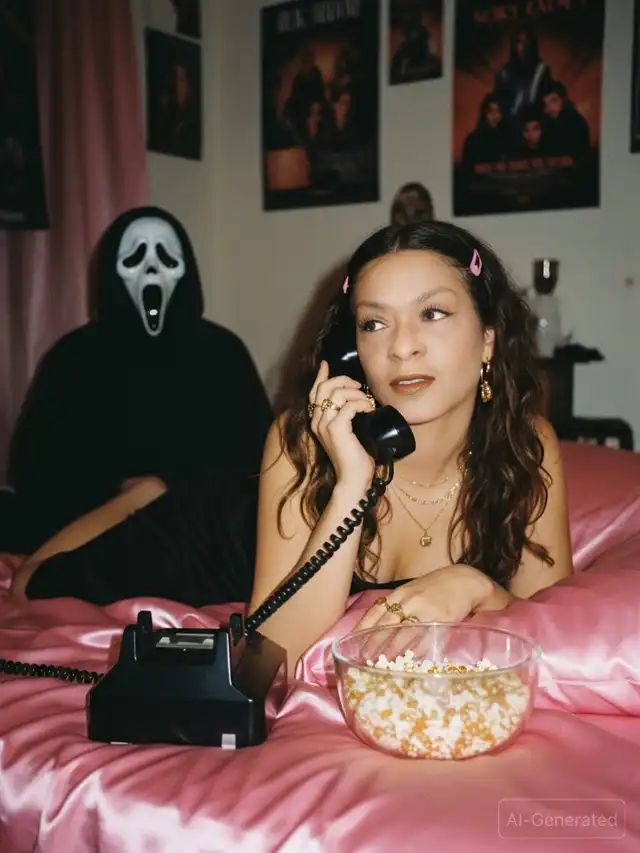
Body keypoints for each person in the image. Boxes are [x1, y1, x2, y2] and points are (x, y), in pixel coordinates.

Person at [249, 220, 573, 671]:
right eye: (374, 323)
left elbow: (558, 642)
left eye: (432, 313)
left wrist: (477, 587)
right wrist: (352, 484)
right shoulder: (300, 444)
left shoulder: (526, 444)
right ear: (352, 354)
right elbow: (268, 662)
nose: (401, 347)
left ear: (488, 339)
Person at [5, 207, 272, 557]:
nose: (151, 270)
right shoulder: (73, 356)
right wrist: (118, 491)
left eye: (167, 258)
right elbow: (35, 466)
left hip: (196, 536)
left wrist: (168, 487)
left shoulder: (222, 352)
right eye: (134, 258)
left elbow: (258, 459)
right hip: (94, 535)